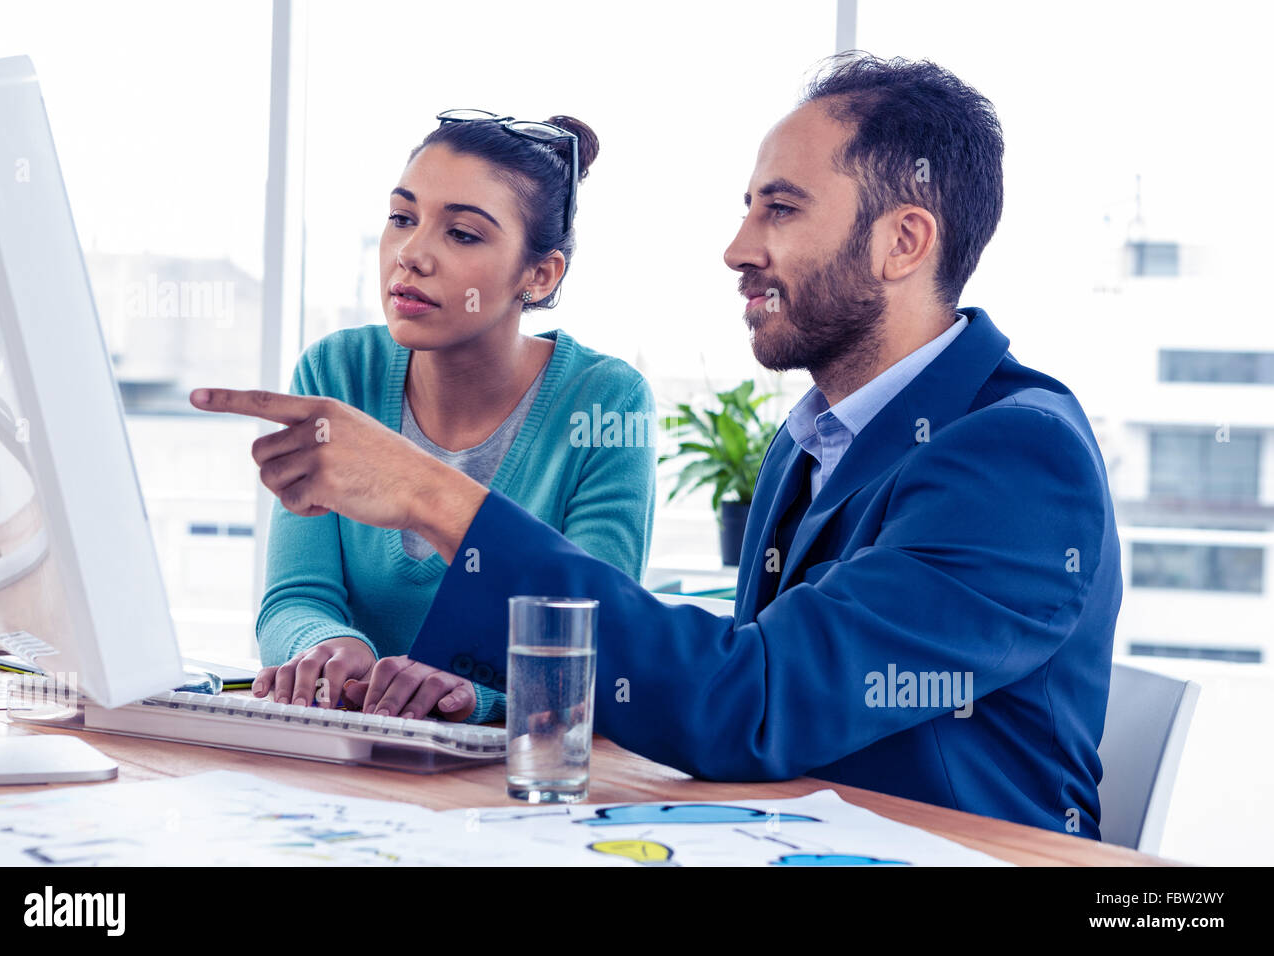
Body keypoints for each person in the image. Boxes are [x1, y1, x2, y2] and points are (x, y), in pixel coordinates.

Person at [193, 53, 1121, 839]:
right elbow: (751, 681)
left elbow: (748, 704)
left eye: (782, 211)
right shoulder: (817, 443)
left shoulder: (1015, 459)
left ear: (903, 241)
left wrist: (432, 497)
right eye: (749, 207)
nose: (737, 247)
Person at [234, 110, 656, 725]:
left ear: (538, 276)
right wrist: (327, 647)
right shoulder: (336, 373)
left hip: (508, 775)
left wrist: (467, 693)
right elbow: (297, 596)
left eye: (461, 233)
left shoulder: (606, 401)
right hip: (348, 757)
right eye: (402, 218)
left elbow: (593, 640)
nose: (410, 254)